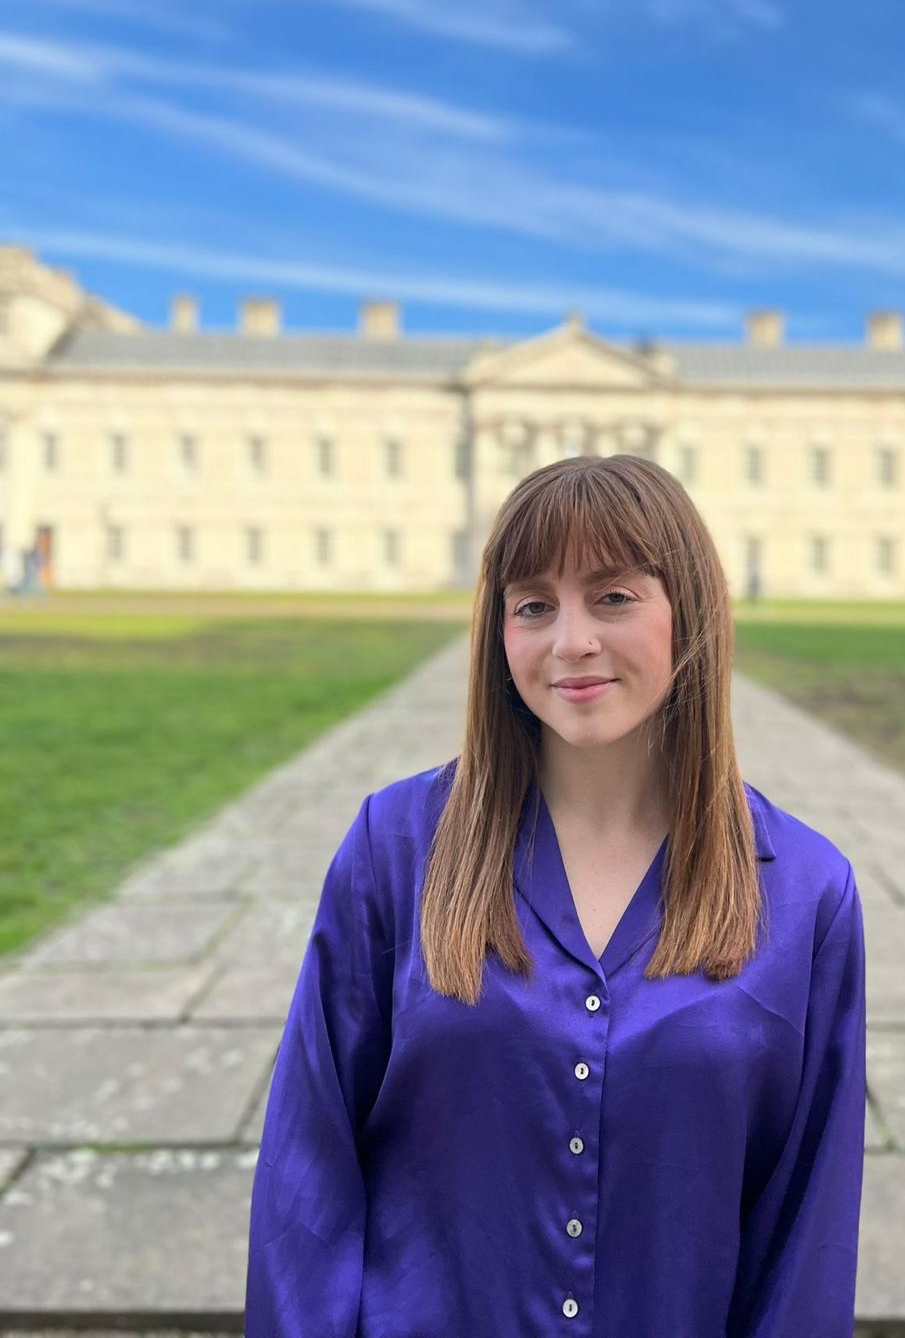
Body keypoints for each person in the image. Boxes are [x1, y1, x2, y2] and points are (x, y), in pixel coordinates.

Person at [244, 453, 867, 1336]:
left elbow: (806, 1232)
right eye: (534, 605)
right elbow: (307, 1174)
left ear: (689, 608)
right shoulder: (394, 847)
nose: (570, 640)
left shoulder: (807, 892)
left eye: (613, 596)